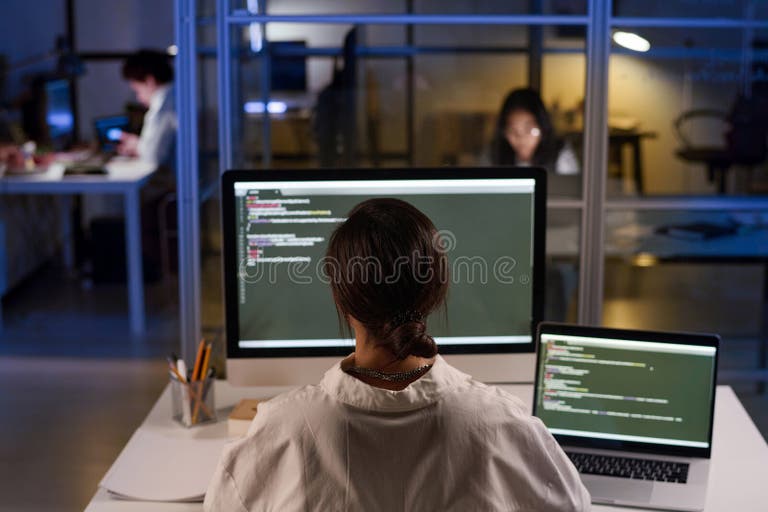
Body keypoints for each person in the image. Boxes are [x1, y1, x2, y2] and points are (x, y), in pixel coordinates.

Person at [204, 198, 590, 511]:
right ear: (436, 292)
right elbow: (573, 505)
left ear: (342, 301)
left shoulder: (283, 428)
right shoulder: (502, 421)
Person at [490, 88, 579, 175]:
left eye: (529, 129)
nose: (521, 138)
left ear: (543, 128)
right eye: (512, 130)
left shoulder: (561, 156)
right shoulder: (494, 156)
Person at [118, 50, 176, 169]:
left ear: (150, 81)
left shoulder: (163, 104)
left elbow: (153, 155)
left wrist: (136, 145)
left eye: (137, 90)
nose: (138, 98)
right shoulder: (175, 95)